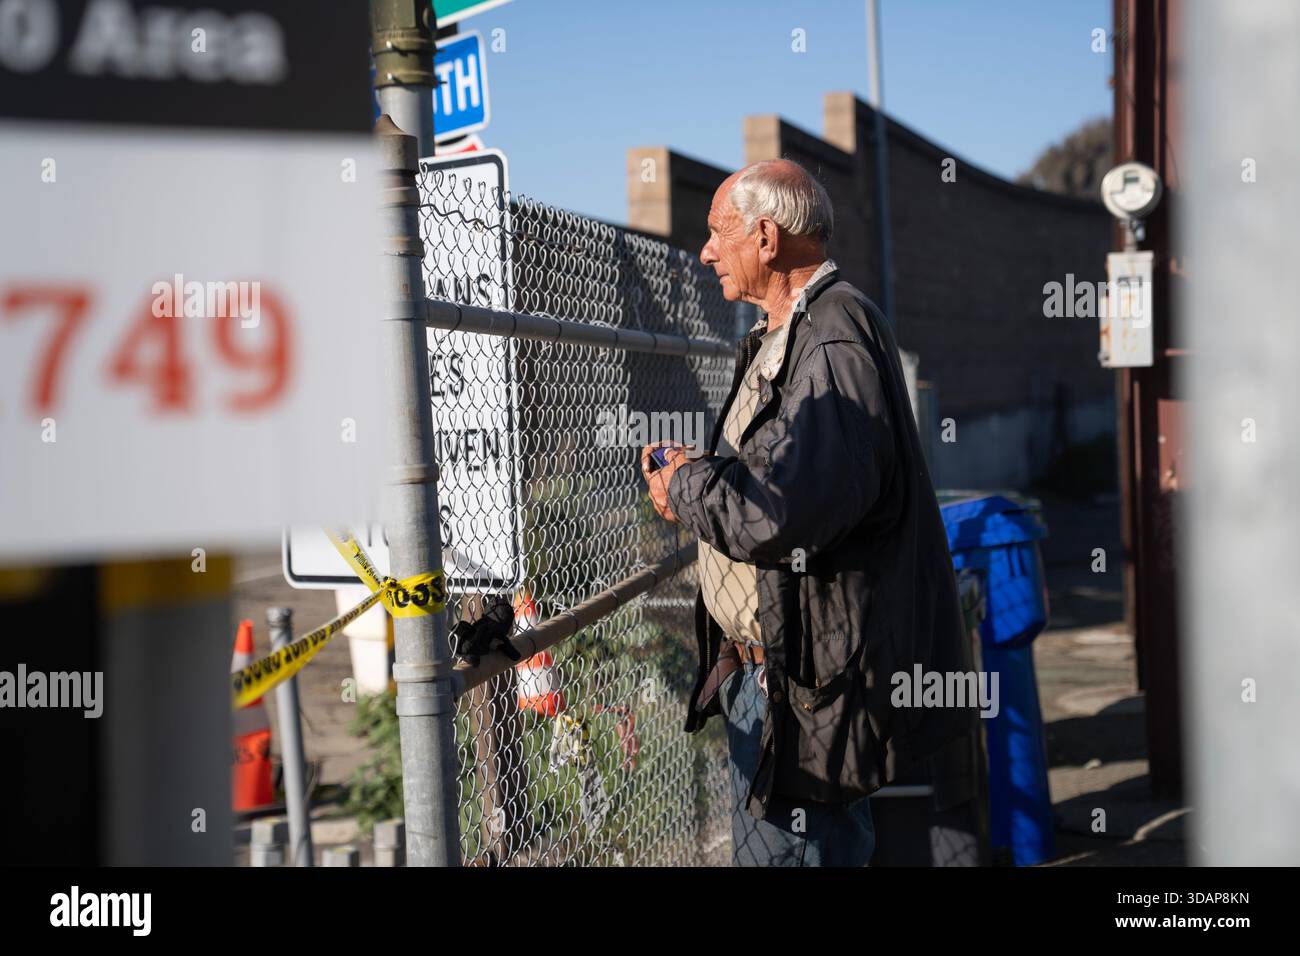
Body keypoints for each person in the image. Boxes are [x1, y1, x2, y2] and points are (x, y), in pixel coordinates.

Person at [640, 159, 975, 866]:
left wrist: (687, 487)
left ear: (766, 238)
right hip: (785, 677)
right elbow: (788, 481)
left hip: (802, 686)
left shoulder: (830, 339)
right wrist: (702, 479)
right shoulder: (799, 332)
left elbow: (784, 514)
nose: (706, 251)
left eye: (718, 231)